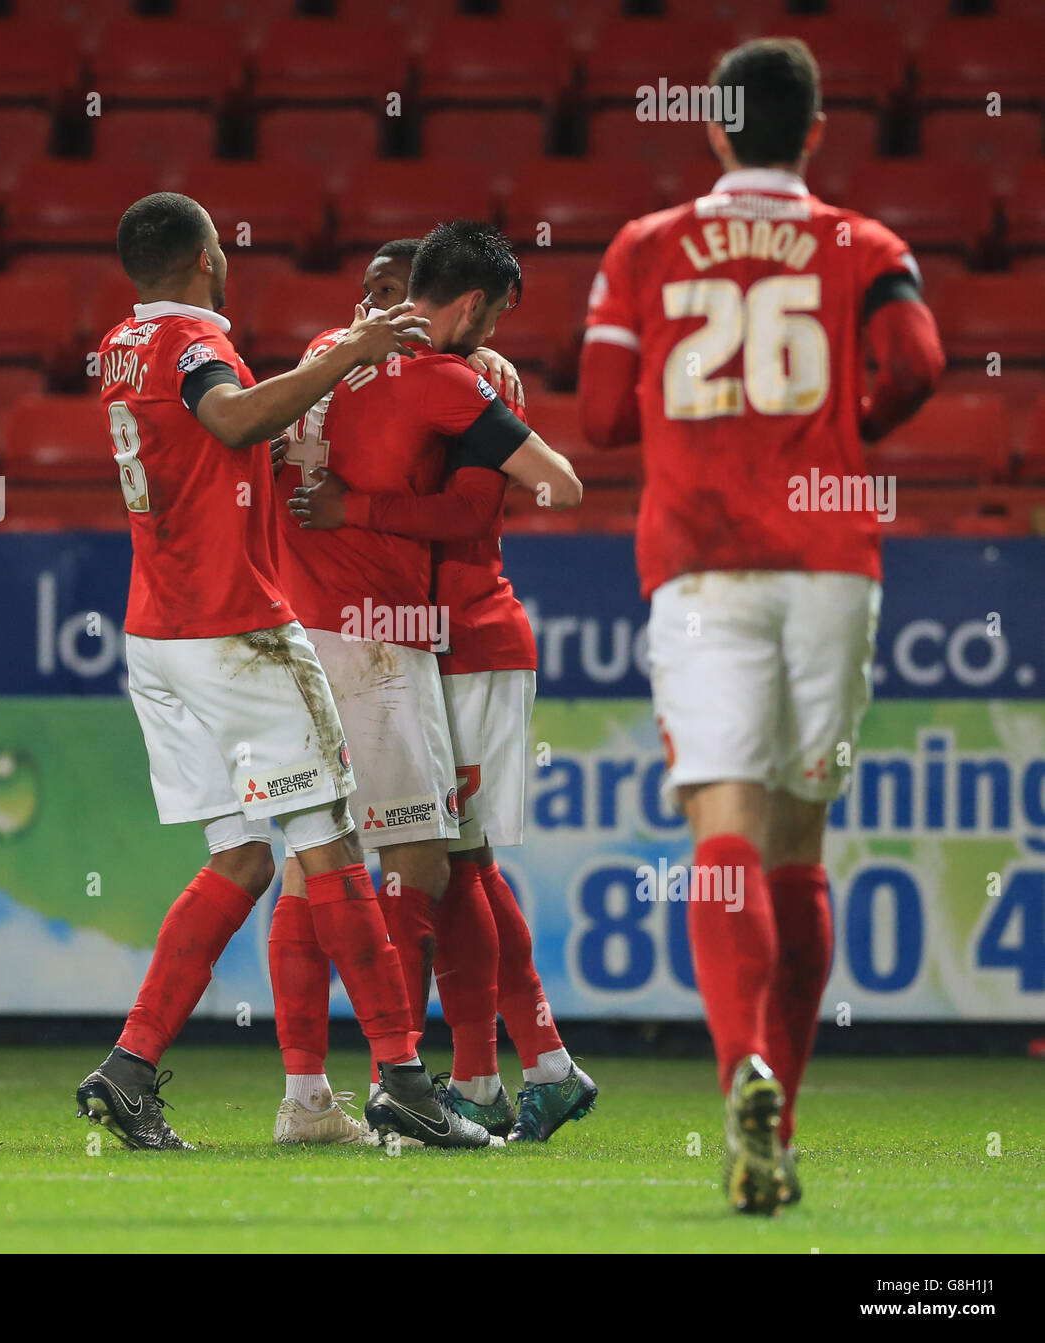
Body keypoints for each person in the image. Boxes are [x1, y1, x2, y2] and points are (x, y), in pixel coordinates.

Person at [578, 39, 944, 1212]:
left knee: (721, 826)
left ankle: (736, 1071)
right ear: (816, 131)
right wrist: (847, 429)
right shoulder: (861, 243)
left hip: (699, 567)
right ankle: (776, 1104)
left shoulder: (643, 247)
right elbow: (922, 364)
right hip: (831, 564)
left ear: (715, 129)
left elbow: (593, 416)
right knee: (799, 842)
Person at [76, 191, 497, 1151]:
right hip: (239, 633)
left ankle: (130, 1067)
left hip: (159, 638)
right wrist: (351, 355)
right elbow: (227, 419)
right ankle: (401, 1079)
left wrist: (327, 365)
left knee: (244, 856)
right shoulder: (195, 349)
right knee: (334, 846)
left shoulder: (117, 347)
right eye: (221, 245)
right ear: (206, 260)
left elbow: (214, 445)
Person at [269, 221, 584, 1148]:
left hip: (330, 634)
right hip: (395, 639)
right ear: (472, 306)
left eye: (386, 288)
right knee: (441, 864)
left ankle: (342, 1091)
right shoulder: (455, 381)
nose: (372, 305)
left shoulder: (325, 355)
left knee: (332, 863)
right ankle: (445, 1083)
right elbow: (557, 485)